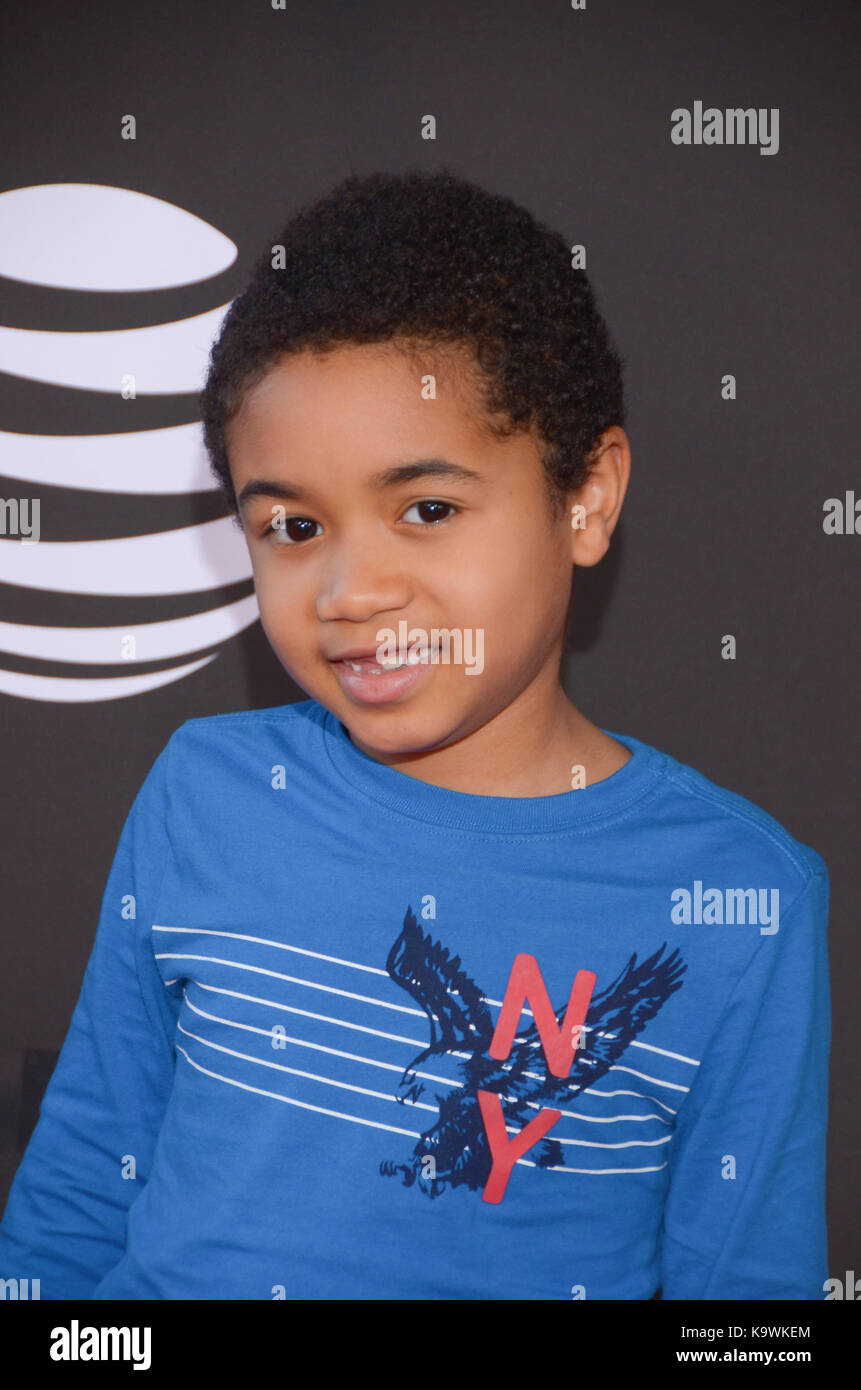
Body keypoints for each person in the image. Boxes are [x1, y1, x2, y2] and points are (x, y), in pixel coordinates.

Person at [0, 168, 830, 1300]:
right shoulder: (204, 791)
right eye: (292, 524)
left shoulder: (742, 897)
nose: (349, 587)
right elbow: (81, 1192)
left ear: (586, 496)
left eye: (427, 509)